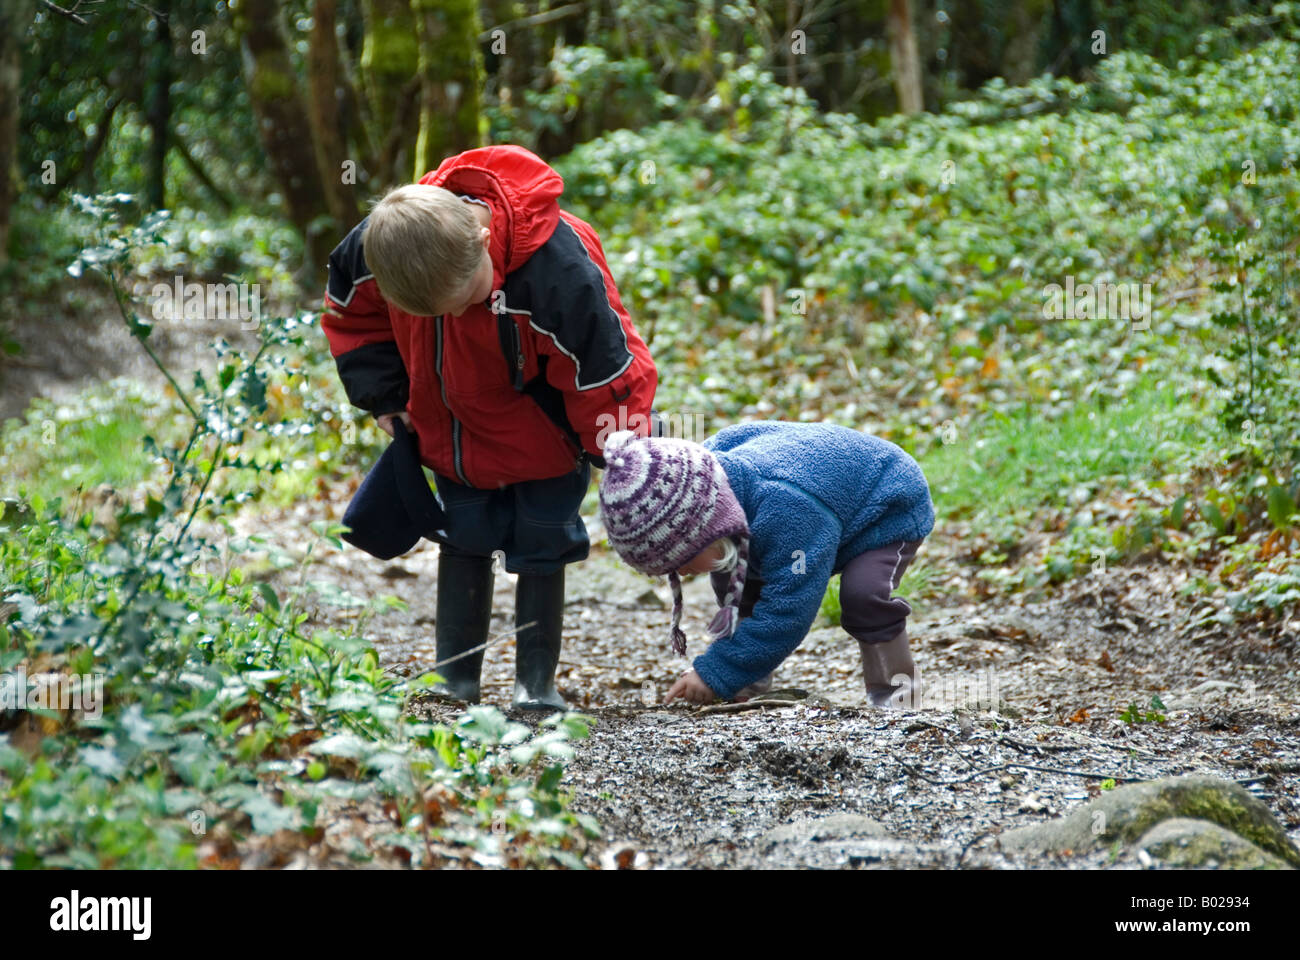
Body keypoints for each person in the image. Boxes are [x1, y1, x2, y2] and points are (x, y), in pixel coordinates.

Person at [321, 145, 657, 710]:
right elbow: (351, 316)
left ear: (480, 240)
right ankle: (455, 678)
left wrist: (615, 449)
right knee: (462, 538)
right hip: (451, 438)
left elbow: (605, 367)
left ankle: (535, 683)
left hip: (546, 442)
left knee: (544, 544)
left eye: (465, 300)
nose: (454, 318)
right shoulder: (381, 247)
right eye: (435, 314)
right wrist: (385, 396)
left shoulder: (558, 266)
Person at [596, 422, 934, 706]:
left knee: (863, 597)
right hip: (815, 506)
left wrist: (717, 671)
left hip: (885, 503)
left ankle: (898, 696)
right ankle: (749, 685)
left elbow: (788, 611)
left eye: (681, 561)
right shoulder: (708, 480)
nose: (682, 573)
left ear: (706, 528)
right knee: (739, 588)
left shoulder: (786, 509)